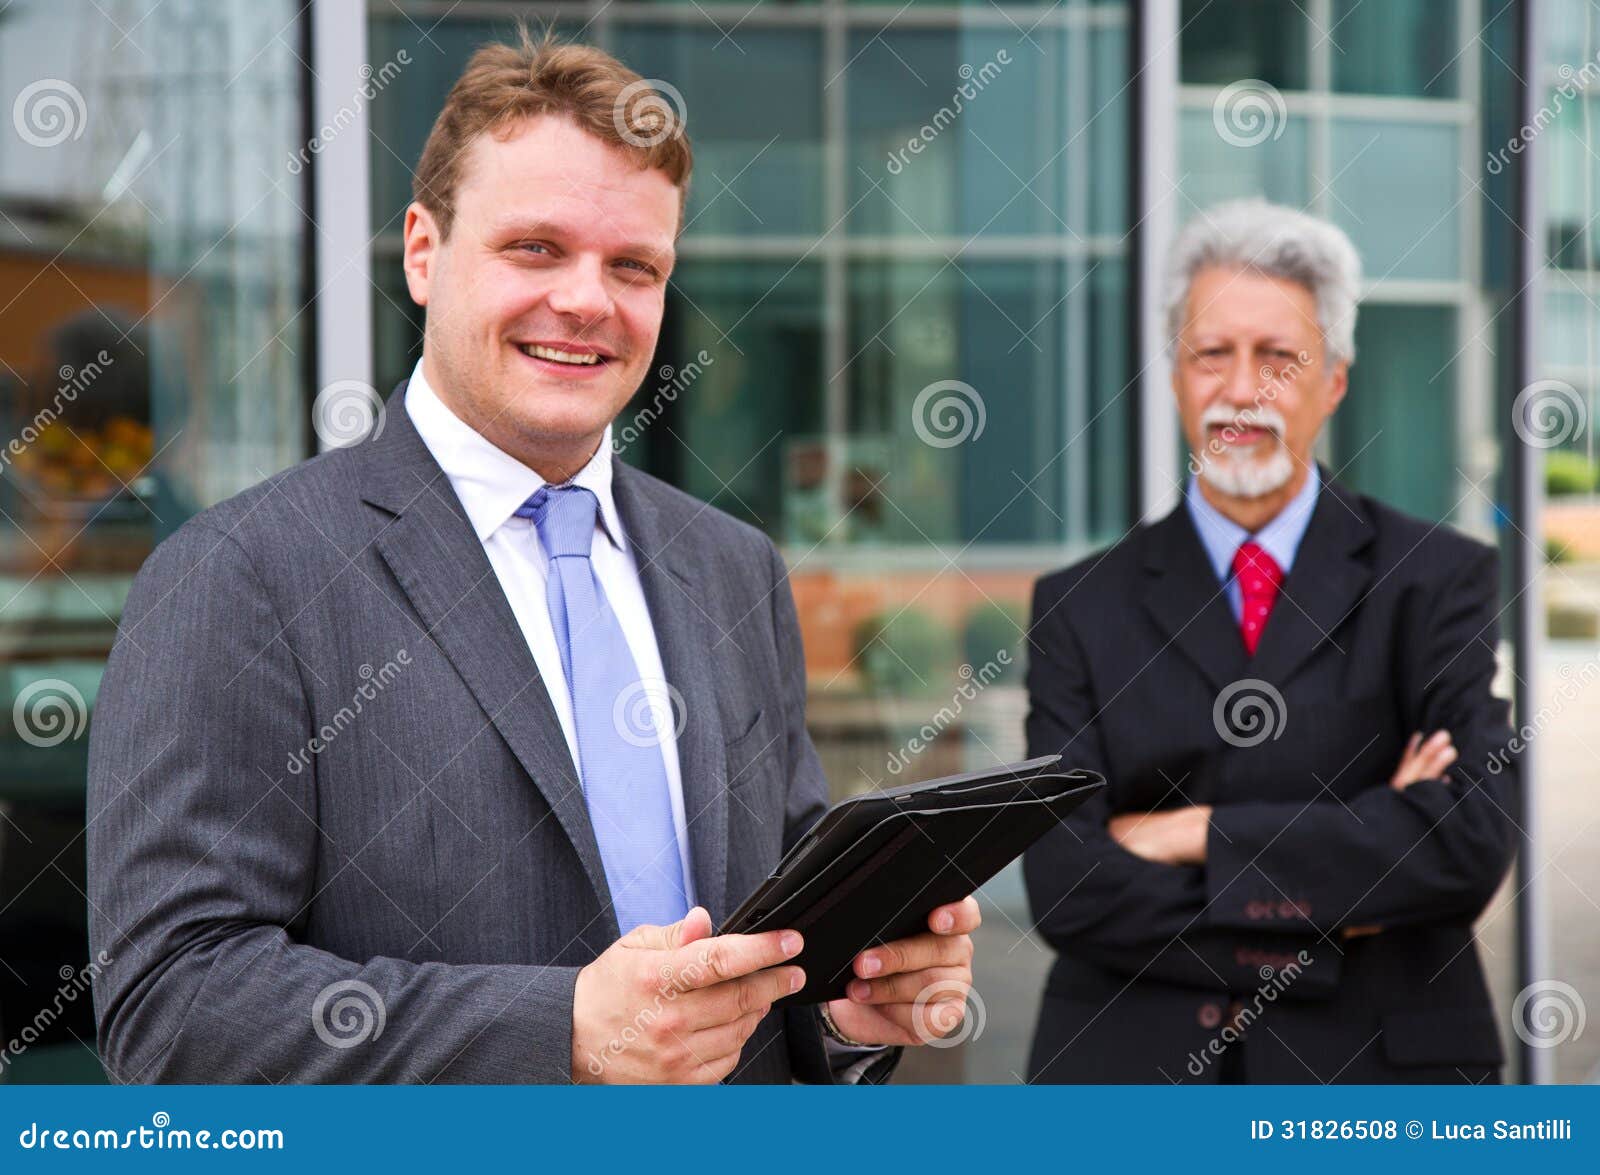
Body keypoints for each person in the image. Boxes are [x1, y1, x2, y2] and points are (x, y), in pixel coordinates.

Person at [86, 29, 978, 1084]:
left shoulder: (731, 567)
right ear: (423, 252)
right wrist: (559, 1029)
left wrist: (851, 1005)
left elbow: (775, 952)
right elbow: (172, 1003)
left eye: (633, 265)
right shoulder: (241, 576)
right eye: (536, 248)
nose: (589, 301)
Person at [1023, 199, 1519, 1084]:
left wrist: (1188, 831)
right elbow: (1067, 883)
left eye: (1278, 358)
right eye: (1213, 354)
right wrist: (1339, 902)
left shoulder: (1436, 579)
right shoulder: (1077, 606)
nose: (1241, 390)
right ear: (1175, 375)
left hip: (1378, 1079)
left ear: (1333, 380)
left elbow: (1468, 840)